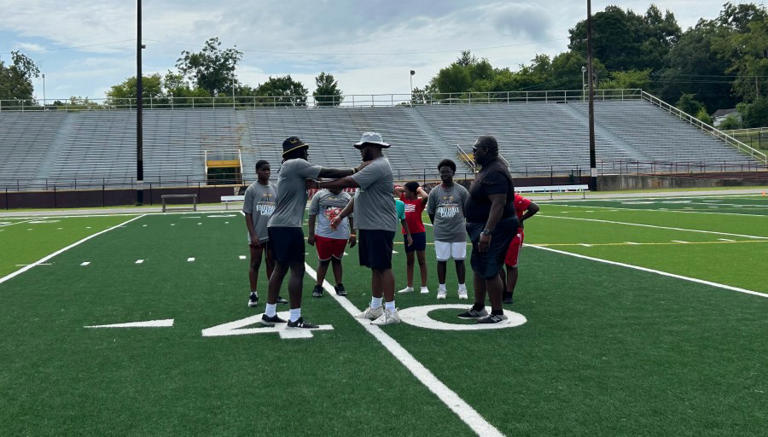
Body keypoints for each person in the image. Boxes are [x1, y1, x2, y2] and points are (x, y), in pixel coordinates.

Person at [263, 136, 364, 329]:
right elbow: (327, 171)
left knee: (280, 269)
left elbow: (318, 180)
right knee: (297, 270)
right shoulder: (296, 163)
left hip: (277, 225)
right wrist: (354, 170)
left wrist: (317, 183)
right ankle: (295, 318)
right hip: (288, 226)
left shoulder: (288, 167)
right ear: (296, 153)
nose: (306, 154)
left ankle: (269, 313)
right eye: (303, 150)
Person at [323, 132, 401, 325]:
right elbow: (358, 196)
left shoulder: (379, 166)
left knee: (383, 266)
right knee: (375, 267)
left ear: (373, 147)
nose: (361, 152)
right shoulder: (372, 166)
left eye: (363, 148)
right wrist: (341, 216)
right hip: (370, 224)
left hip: (379, 224)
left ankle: (391, 311)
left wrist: (318, 183)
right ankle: (376, 307)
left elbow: (349, 181)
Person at [458, 135, 518, 324]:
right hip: (481, 225)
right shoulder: (489, 168)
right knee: (479, 266)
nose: (473, 153)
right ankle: (479, 307)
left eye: (476, 150)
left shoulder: (496, 172)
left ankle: (498, 312)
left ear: (486, 150)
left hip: (493, 227)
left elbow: (498, 204)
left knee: (490, 268)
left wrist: (487, 232)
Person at [242, 160, 288, 307]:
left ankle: (273, 293)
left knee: (272, 263)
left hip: (272, 233)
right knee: (255, 263)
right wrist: (253, 234)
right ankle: (253, 294)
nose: (267, 172)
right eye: (264, 170)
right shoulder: (252, 189)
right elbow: (247, 214)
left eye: (268, 170)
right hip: (257, 233)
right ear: (257, 171)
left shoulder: (274, 188)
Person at [426, 159, 470, 300]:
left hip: (458, 231)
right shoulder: (434, 192)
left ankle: (462, 289)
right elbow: (431, 212)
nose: (444, 174)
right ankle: (442, 289)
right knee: (441, 260)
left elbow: (468, 210)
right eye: (442, 172)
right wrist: (438, 225)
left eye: (447, 171)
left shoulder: (461, 191)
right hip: (441, 232)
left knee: (459, 260)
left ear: (453, 172)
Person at [307, 187, 355, 298]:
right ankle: (318, 285)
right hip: (324, 234)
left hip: (341, 235)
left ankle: (339, 285)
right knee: (323, 262)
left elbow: (352, 216)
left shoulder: (347, 197)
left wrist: (353, 234)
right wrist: (310, 234)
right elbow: (312, 214)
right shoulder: (320, 195)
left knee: (337, 260)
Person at [501, 194, 539, 304]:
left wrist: (521, 219)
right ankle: (502, 291)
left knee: (511, 264)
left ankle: (508, 294)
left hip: (513, 233)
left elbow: (534, 208)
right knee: (497, 264)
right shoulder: (494, 196)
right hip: (498, 233)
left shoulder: (515, 198)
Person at [395, 182, 429, 294]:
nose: (404, 192)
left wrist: (418, 189)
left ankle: (424, 286)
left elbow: (426, 196)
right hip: (406, 233)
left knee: (421, 260)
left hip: (419, 233)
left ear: (413, 192)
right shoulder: (403, 199)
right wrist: (405, 188)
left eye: (406, 190)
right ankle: (410, 286)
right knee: (409, 261)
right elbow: (394, 189)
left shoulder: (419, 201)